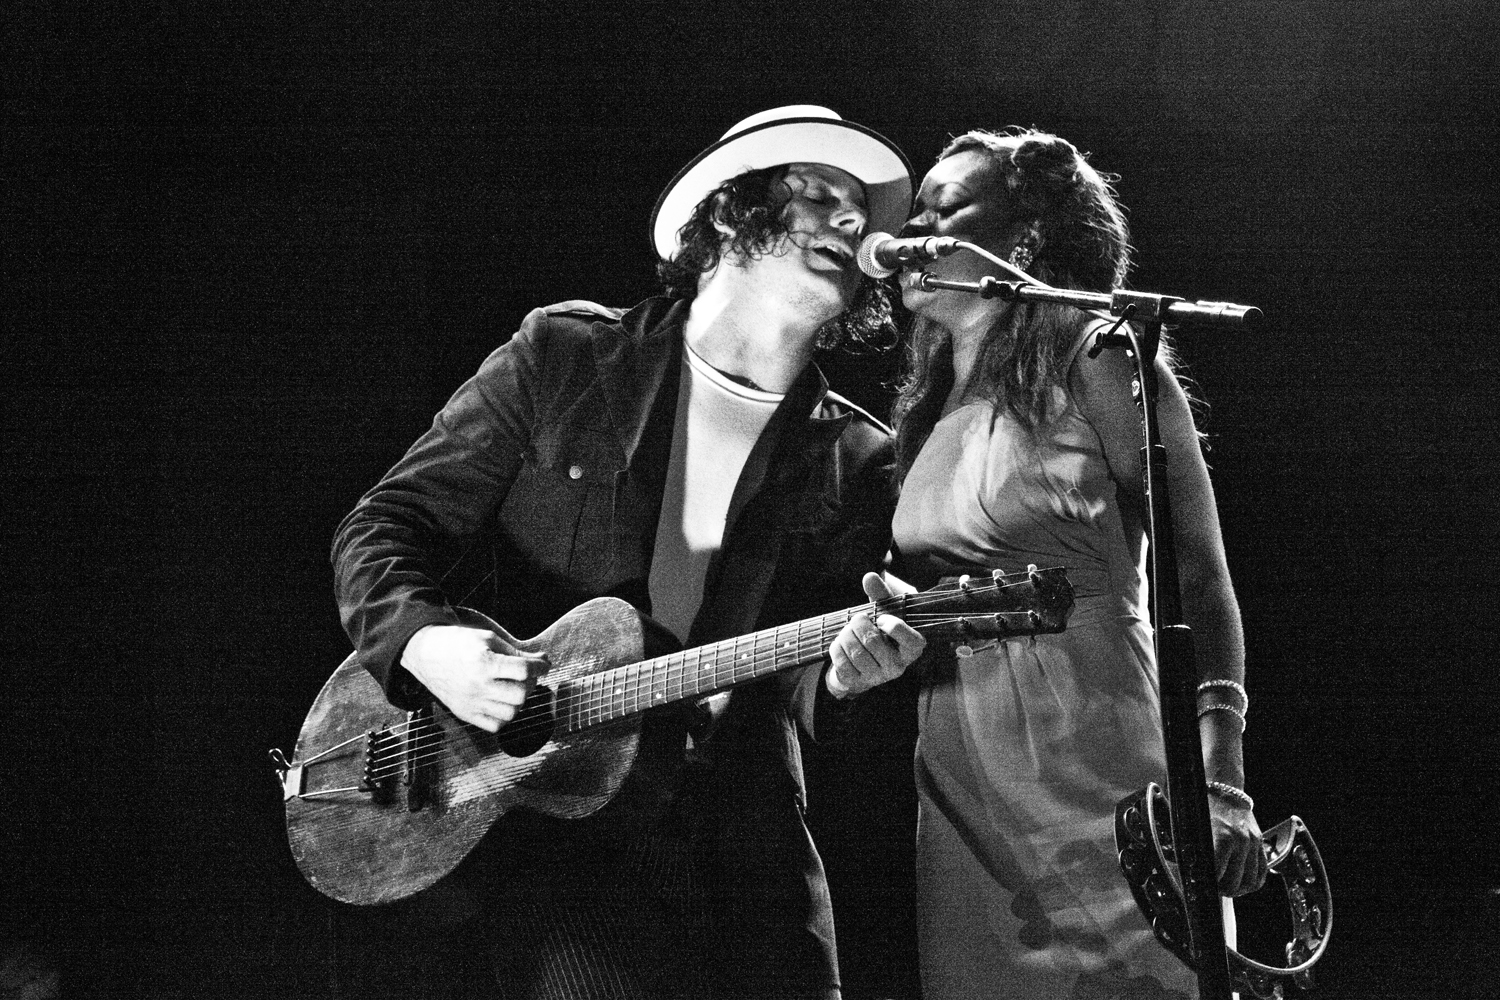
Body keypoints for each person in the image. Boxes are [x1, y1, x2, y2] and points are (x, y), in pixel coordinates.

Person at [330, 105, 925, 1000]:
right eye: (816, 190)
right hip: (563, 832)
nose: (851, 219)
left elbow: (817, 696)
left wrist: (852, 678)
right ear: (730, 213)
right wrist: (425, 645)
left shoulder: (863, 463)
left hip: (745, 845)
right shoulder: (563, 357)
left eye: (860, 208)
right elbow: (381, 529)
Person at [884, 128, 1269, 999]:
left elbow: (1200, 578)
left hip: (1102, 764)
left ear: (1022, 240)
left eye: (947, 209)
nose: (915, 229)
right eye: (916, 211)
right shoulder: (925, 410)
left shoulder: (1099, 356)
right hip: (962, 772)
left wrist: (1224, 781)